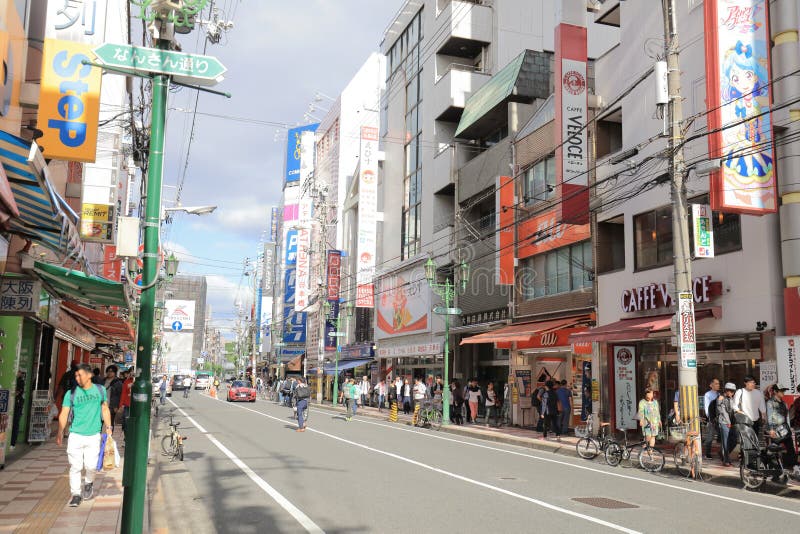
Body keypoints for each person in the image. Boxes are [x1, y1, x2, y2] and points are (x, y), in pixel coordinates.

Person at [56, 363, 112, 507]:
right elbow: (64, 413)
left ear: (89, 375)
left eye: (80, 375)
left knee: (91, 465)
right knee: (75, 466)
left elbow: (105, 409)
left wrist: (109, 426)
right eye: (76, 375)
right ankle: (75, 494)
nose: (77, 377)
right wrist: (60, 432)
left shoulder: (100, 390)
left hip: (93, 435)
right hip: (75, 435)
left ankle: (88, 483)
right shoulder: (71, 393)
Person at [766, 384, 797, 470]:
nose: (783, 392)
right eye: (781, 391)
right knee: (773, 452)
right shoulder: (770, 403)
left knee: (791, 450)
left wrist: (789, 427)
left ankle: (791, 468)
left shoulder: (784, 403)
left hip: (785, 430)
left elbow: (787, 417)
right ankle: (775, 472)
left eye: (784, 390)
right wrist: (771, 430)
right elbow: (769, 417)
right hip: (775, 431)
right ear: (775, 392)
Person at [717, 382, 737, 466]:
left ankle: (723, 454)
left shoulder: (733, 399)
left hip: (732, 422)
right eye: (729, 391)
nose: (731, 393)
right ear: (725, 390)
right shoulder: (721, 398)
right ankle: (726, 460)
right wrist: (728, 422)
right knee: (726, 441)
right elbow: (722, 411)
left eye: (732, 391)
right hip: (724, 422)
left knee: (734, 441)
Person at [702, 378, 721, 460]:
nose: (718, 385)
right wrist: (710, 417)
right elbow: (706, 407)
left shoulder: (719, 394)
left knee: (721, 436)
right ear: (711, 385)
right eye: (716, 383)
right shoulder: (708, 395)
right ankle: (707, 453)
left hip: (719, 418)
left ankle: (722, 452)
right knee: (710, 436)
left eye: (718, 383)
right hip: (712, 419)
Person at [104, 365, 123, 433]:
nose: (109, 373)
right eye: (108, 371)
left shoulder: (118, 382)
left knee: (110, 423)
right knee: (100, 422)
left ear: (115, 373)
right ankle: (100, 437)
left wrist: (117, 406)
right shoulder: (103, 380)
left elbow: (120, 395)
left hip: (112, 406)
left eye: (111, 371)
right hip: (102, 405)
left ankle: (109, 438)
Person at [9, 370, 25, 449]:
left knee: (15, 423)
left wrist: (12, 395)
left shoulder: (20, 381)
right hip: (14, 404)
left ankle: (12, 443)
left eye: (19, 372)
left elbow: (18, 392)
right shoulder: (14, 380)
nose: (18, 373)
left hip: (17, 405)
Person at [119, 370, 133, 438]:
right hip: (127, 405)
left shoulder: (138, 382)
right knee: (126, 422)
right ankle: (126, 437)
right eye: (131, 372)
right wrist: (121, 405)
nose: (132, 374)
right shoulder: (126, 381)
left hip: (136, 407)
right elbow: (123, 393)